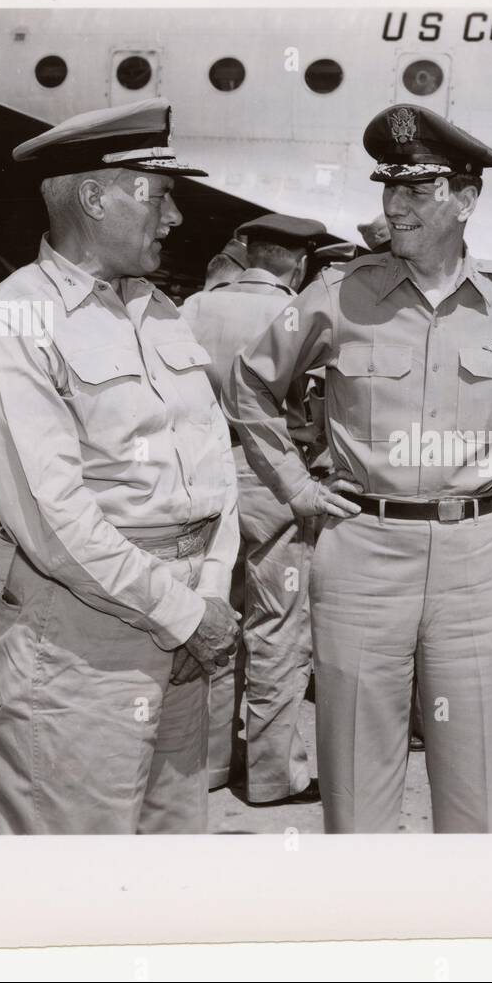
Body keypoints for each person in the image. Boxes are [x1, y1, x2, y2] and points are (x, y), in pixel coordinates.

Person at [228, 104, 492, 833]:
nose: (396, 204)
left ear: (466, 199)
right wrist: (297, 489)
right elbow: (248, 385)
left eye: (419, 190)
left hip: (477, 558)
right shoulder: (336, 293)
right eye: (390, 188)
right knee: (356, 780)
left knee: (478, 780)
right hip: (361, 551)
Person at [0, 98, 241, 834]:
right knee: (71, 873)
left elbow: (216, 468)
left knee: (170, 858)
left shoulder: (159, 310)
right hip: (85, 644)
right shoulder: (12, 321)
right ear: (94, 196)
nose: (174, 218)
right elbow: (53, 519)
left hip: (185, 621)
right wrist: (184, 613)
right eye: (161, 195)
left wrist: (205, 591)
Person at [181, 213, 328, 804]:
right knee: (279, 629)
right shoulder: (298, 313)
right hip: (273, 478)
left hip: (203, 475)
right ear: (298, 261)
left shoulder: (192, 306)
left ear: (247, 252)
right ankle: (272, 775)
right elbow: (316, 406)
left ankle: (211, 761)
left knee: (213, 614)